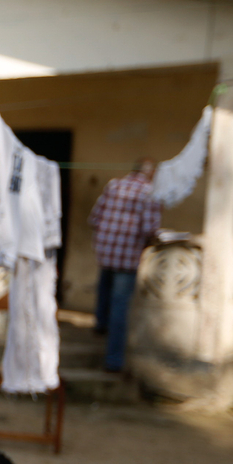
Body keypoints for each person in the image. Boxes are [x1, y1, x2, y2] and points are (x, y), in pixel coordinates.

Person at [89, 156, 161, 372]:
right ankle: (114, 360)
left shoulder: (114, 185)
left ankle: (100, 324)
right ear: (150, 173)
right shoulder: (150, 192)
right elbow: (149, 229)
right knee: (120, 304)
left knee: (104, 285)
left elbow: (94, 218)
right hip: (127, 254)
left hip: (105, 248)